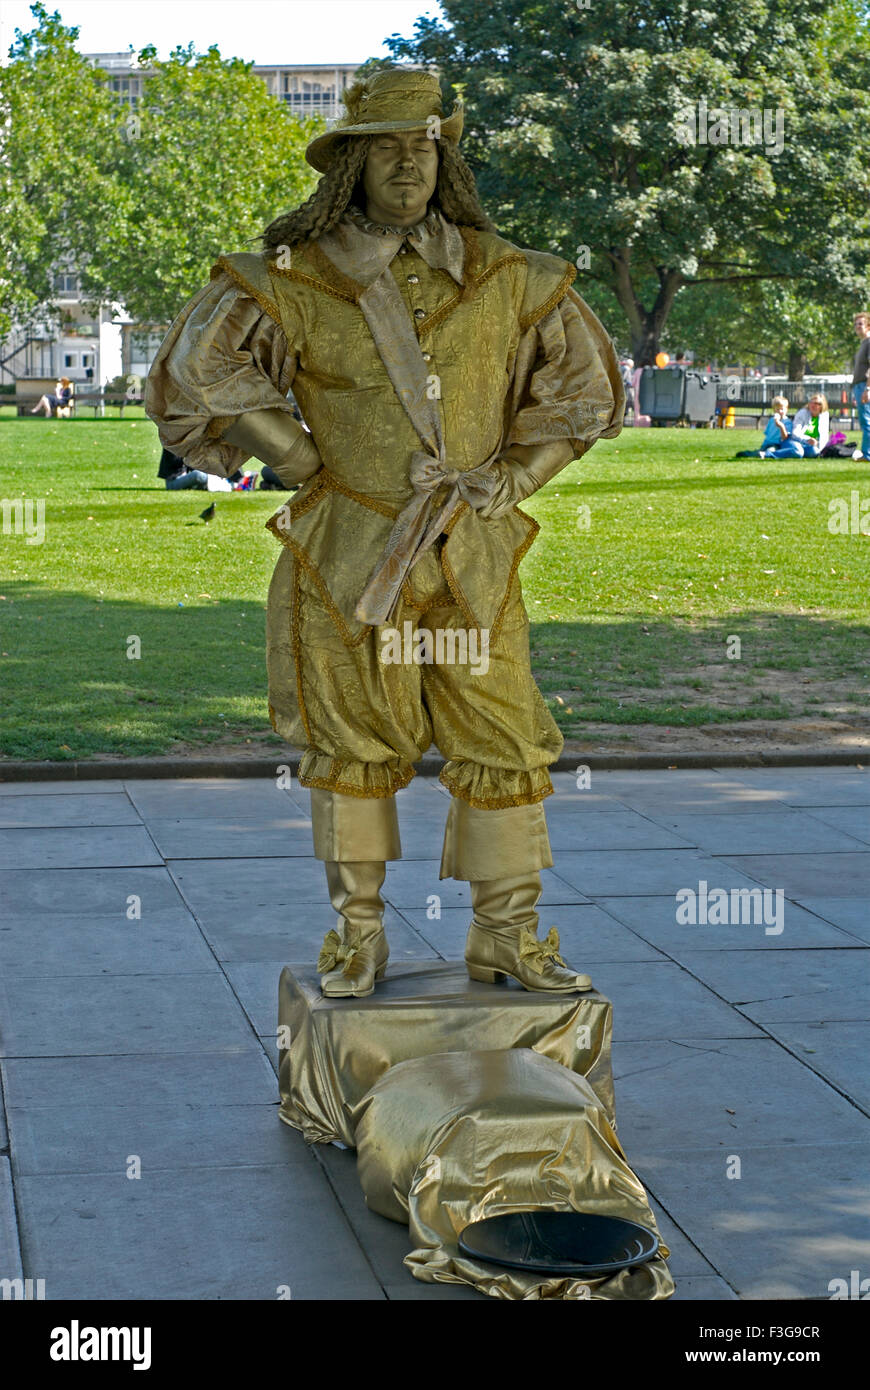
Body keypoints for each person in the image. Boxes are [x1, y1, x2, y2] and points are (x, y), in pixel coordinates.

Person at [145, 65, 624, 1001]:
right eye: (387, 147)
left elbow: (581, 390)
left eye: (424, 146)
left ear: (444, 161)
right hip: (350, 551)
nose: (408, 164)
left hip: (474, 552)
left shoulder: (508, 275)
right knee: (354, 735)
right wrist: (294, 455)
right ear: (351, 164)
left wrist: (518, 476)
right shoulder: (295, 277)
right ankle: (358, 936)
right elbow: (201, 369)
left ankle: (507, 934)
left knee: (507, 734)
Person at [851, 311, 870, 462]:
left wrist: (867, 389)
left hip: (865, 385)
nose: (857, 326)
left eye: (861, 323)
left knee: (866, 420)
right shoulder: (863, 343)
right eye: (856, 324)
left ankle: (867, 454)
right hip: (859, 386)